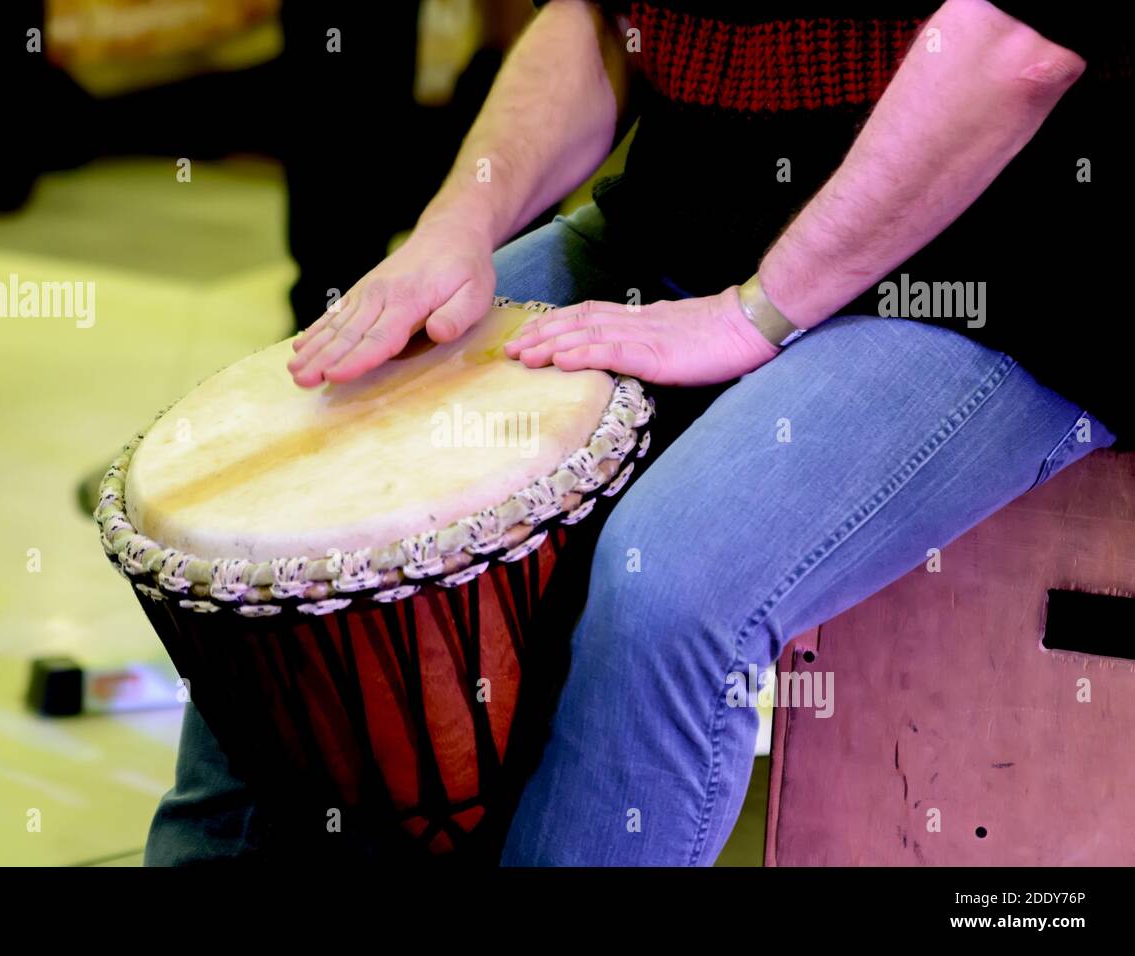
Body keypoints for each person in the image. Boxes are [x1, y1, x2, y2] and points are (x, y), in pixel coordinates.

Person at [148, 0, 1130, 865]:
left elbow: (1013, 48)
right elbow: (597, 20)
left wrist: (753, 314)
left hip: (975, 266)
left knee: (668, 584)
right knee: (287, 515)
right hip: (682, 228)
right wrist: (456, 224)